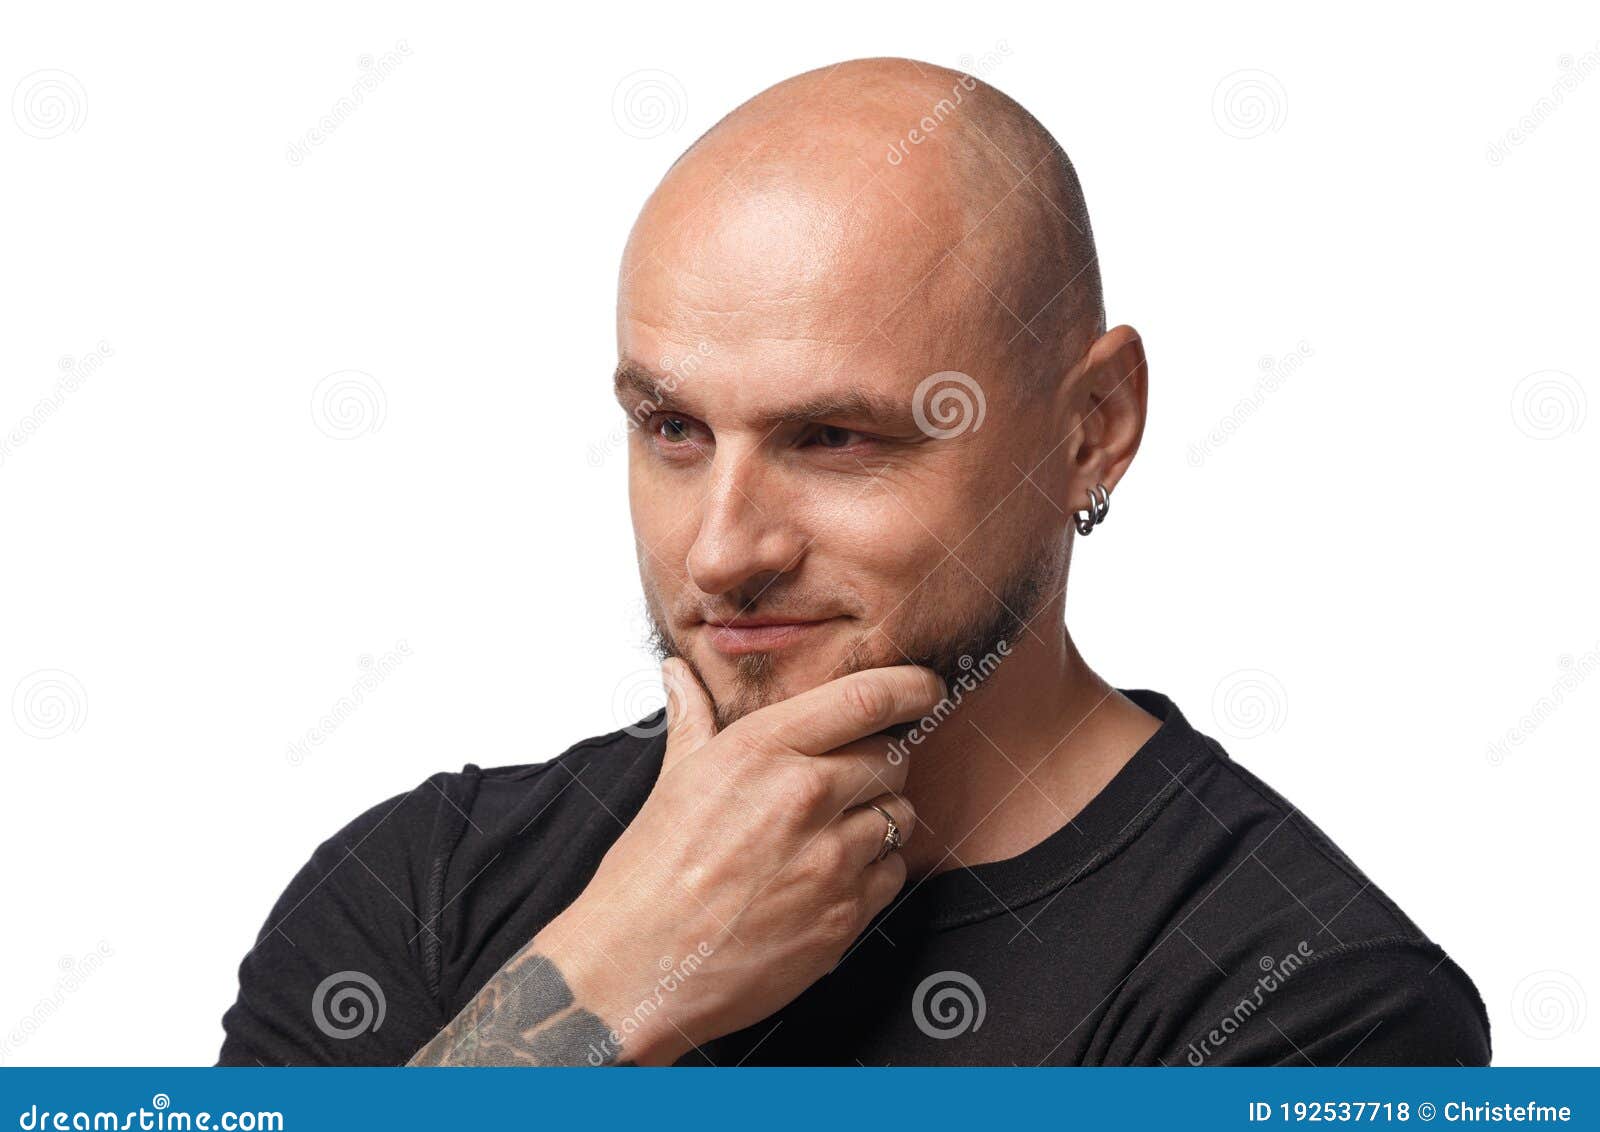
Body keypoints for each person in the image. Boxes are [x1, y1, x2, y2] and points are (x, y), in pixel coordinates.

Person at [218, 57, 1491, 1066]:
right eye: (673, 429)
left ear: (1090, 429)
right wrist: (604, 987)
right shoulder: (421, 885)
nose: (720, 551)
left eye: (833, 438)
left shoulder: (1317, 1008)